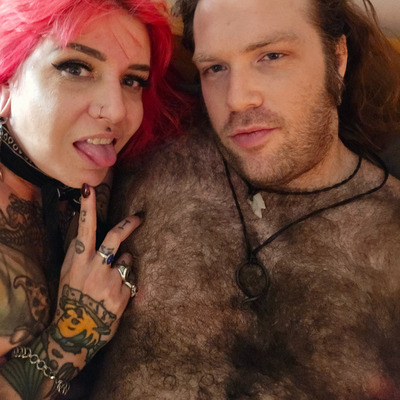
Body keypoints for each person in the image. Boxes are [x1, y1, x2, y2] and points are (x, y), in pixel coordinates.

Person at [89, 0, 400, 399]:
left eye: (271, 56)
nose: (237, 99)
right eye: (215, 68)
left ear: (336, 58)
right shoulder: (143, 156)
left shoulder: (390, 237)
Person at [0, 0, 185, 398]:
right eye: (75, 68)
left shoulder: (95, 163)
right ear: (5, 82)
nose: (116, 111)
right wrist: (73, 335)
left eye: (132, 81)